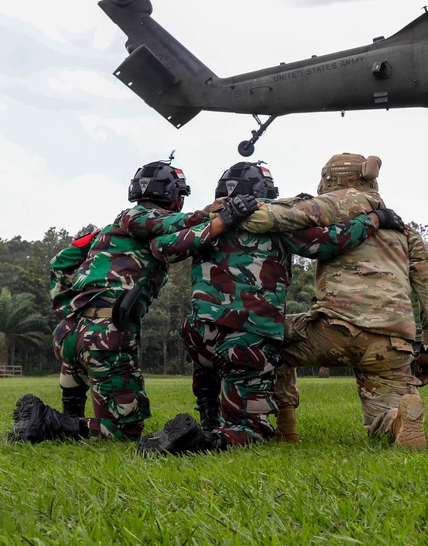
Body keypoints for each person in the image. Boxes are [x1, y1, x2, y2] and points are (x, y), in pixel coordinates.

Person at [134, 161, 403, 456]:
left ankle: (209, 421)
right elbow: (328, 244)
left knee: (211, 363)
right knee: (252, 430)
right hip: (248, 337)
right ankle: (202, 440)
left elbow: (162, 247)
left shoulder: (209, 222)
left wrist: (217, 222)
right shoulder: (274, 225)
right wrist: (374, 219)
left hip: (200, 335)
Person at [8, 160, 257, 444]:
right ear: (175, 196)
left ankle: (57, 423)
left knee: (88, 395)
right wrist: (220, 217)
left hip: (70, 331)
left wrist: (64, 306)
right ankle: (46, 421)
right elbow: (171, 226)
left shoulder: (107, 231)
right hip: (105, 334)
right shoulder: (141, 218)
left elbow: (59, 261)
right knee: (123, 431)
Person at [240, 153, 428, 449]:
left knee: (269, 336)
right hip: (393, 343)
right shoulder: (405, 230)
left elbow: (270, 218)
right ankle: (398, 420)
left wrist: (231, 212)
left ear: (331, 178)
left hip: (335, 331)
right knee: (381, 420)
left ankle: (286, 428)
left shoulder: (337, 202)